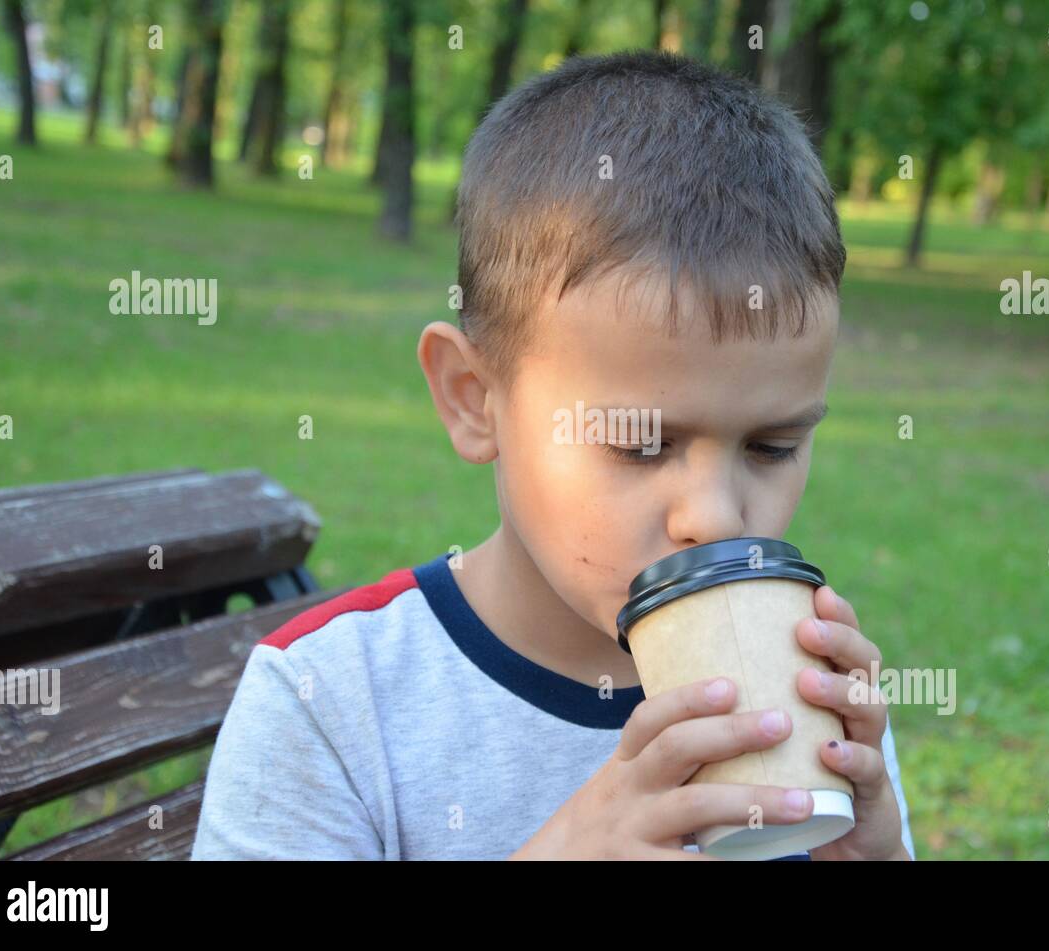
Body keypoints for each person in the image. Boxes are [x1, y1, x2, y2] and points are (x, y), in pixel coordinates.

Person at [192, 49, 913, 861]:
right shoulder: (332, 702)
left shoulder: (803, 689)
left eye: (773, 446)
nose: (714, 516)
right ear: (474, 398)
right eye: (642, 443)